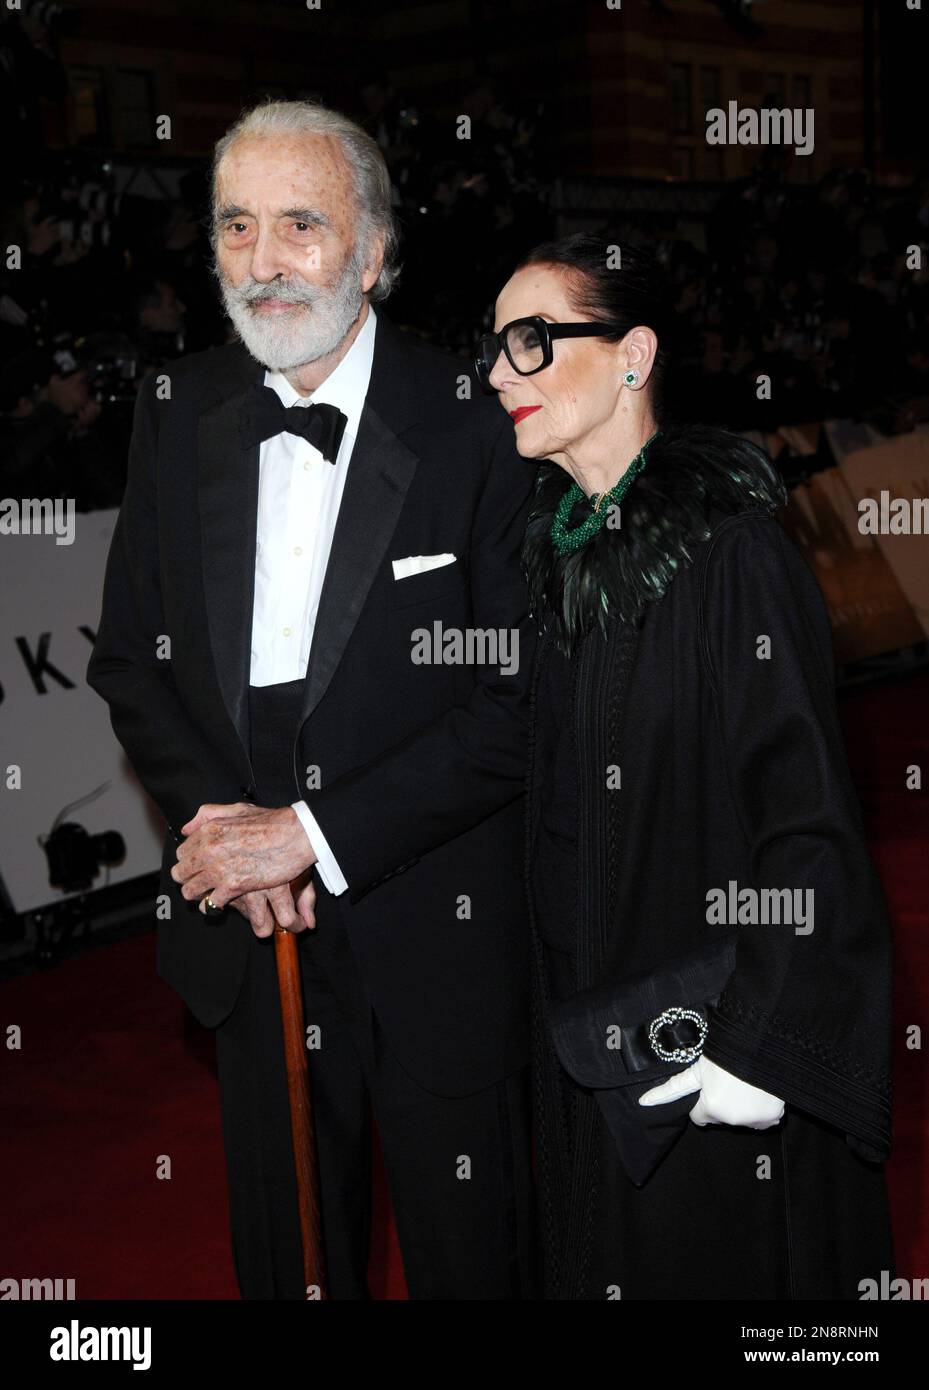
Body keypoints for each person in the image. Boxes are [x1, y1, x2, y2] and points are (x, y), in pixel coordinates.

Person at [87, 98, 537, 1300]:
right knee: (289, 1262)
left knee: (473, 1262)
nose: (263, 261)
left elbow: (513, 702)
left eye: (301, 223)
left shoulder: (475, 422)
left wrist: (312, 836)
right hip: (251, 927)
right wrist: (236, 839)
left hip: (435, 919)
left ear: (375, 253)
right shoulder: (174, 413)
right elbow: (130, 655)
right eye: (236, 226)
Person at [476, 232, 895, 1300]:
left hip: (708, 1053)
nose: (496, 374)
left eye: (530, 341)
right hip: (588, 1040)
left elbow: (804, 819)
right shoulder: (555, 566)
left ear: (632, 355)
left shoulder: (732, 554)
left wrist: (755, 1043)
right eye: (491, 349)